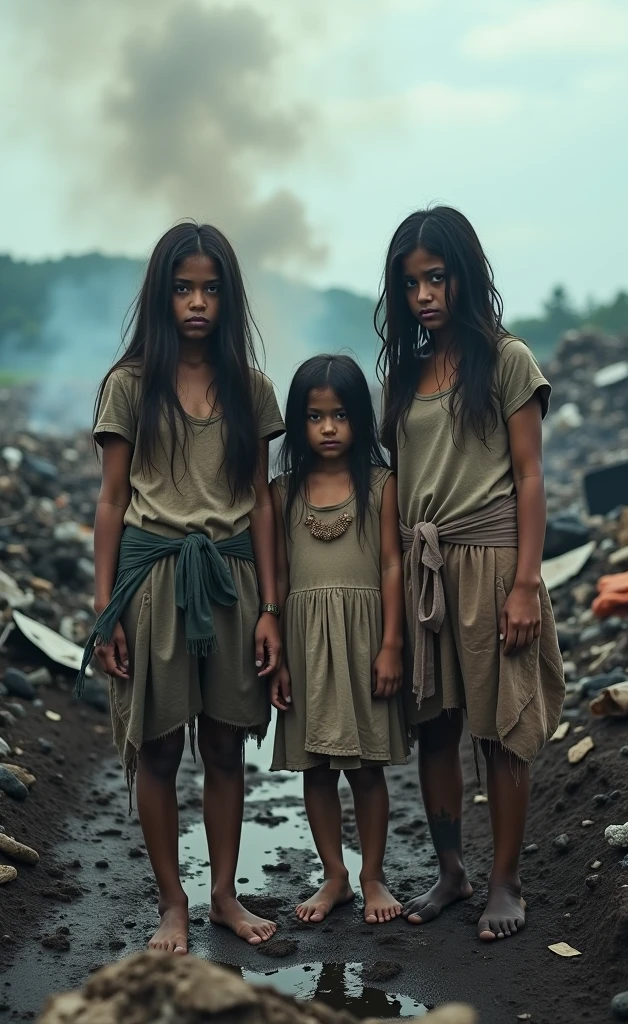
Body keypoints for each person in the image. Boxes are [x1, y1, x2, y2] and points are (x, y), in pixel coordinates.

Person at [76, 222, 285, 953]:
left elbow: (260, 499)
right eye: (183, 288)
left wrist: (270, 608)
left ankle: (224, 894)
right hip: (153, 579)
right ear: (162, 297)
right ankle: (174, 903)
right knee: (160, 751)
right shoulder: (129, 386)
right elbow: (109, 502)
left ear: (228, 298)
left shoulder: (251, 389)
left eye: (211, 289)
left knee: (227, 746)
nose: (197, 302)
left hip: (229, 581)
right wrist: (106, 612)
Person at [376, 206, 565, 942]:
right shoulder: (406, 371)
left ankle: (505, 882)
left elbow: (530, 477)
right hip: (426, 568)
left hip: (490, 563)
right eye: (412, 281)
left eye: (437, 276)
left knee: (501, 731)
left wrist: (525, 584)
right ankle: (452, 872)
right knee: (435, 728)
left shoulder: (508, 360)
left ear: (465, 276)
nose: (425, 294)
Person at [270, 355, 408, 925]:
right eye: (315, 416)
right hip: (305, 645)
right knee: (316, 768)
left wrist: (392, 644)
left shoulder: (380, 484)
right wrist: (277, 648)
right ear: (298, 423)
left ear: (362, 421)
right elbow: (275, 576)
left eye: (342, 415)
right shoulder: (283, 492)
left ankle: (373, 875)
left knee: (367, 767)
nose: (328, 428)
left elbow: (394, 567)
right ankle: (335, 875)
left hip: (363, 642)